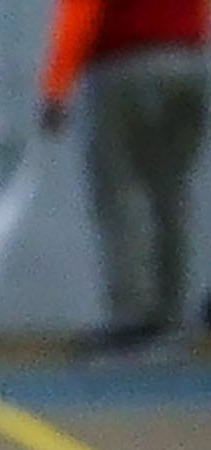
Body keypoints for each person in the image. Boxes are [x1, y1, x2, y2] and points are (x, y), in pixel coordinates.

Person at [38, 0, 208, 355]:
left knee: (121, 191)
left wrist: (56, 87)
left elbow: (81, 10)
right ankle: (173, 318)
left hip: (125, 66)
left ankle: (135, 319)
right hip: (189, 63)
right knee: (173, 196)